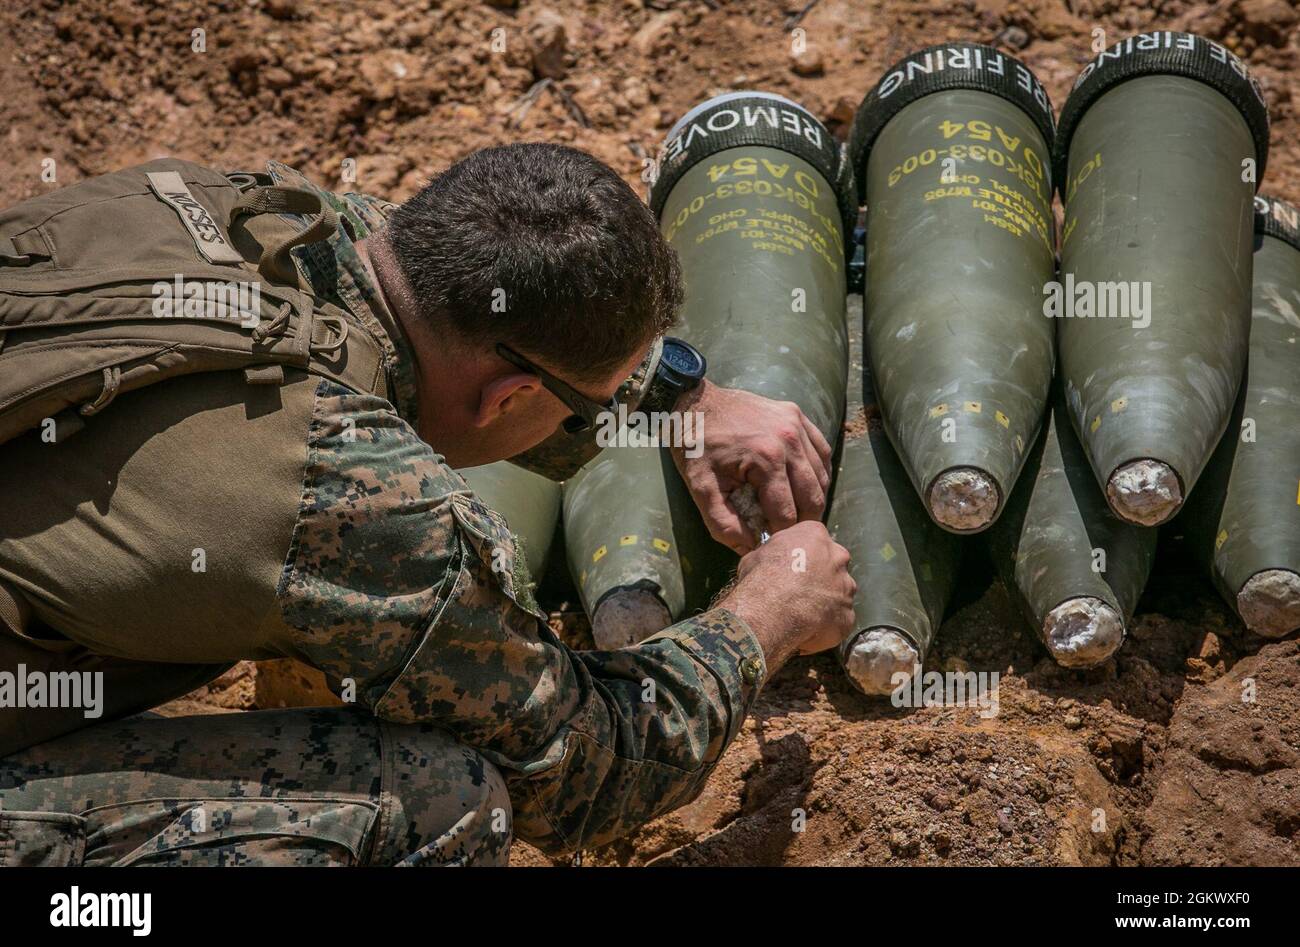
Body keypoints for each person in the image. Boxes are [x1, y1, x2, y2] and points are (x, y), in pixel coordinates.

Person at [0, 144, 855, 865]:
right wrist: (768, 611)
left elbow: (411, 268)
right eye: (583, 413)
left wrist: (682, 396)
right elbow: (591, 770)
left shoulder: (230, 209)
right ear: (509, 397)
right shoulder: (351, 496)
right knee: (439, 802)